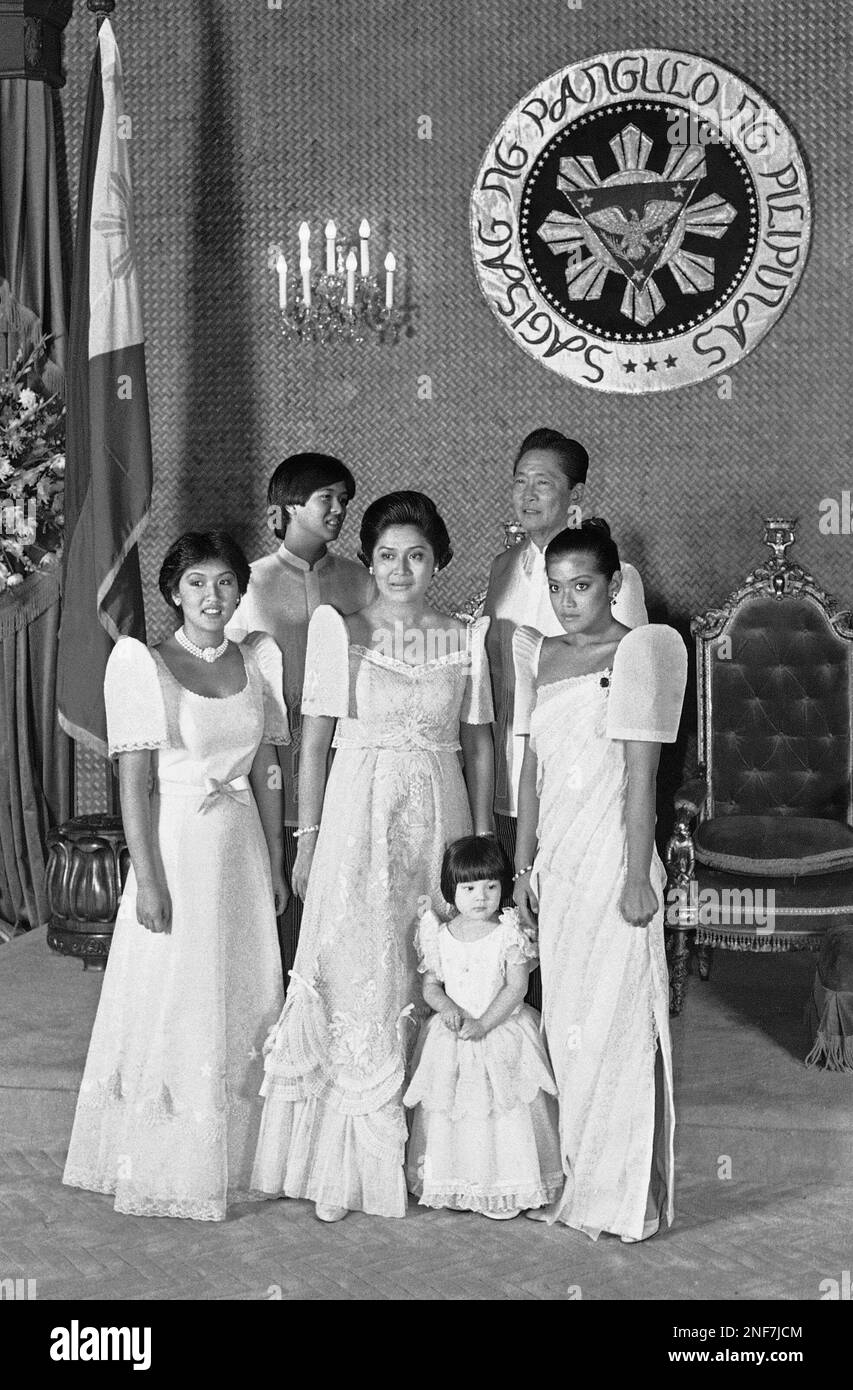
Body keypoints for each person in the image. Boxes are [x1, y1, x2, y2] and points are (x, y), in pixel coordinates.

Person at [251, 492, 495, 1222]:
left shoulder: (464, 636)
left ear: (438, 562)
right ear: (370, 560)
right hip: (358, 817)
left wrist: (482, 845)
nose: (400, 568)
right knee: (360, 964)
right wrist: (307, 840)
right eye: (386, 555)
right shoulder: (340, 629)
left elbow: (478, 741)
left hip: (440, 816)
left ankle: (435, 1157)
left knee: (430, 965)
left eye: (416, 555)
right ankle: (351, 1163)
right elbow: (314, 741)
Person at [63, 532, 290, 1221]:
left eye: (224, 583)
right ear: (172, 592)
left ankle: (247, 1151)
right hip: (178, 849)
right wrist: (148, 878)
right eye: (196, 583)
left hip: (241, 851)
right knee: (180, 991)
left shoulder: (259, 661)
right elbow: (132, 782)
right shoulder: (142, 664)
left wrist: (276, 863)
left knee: (243, 985)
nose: (212, 597)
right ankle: (169, 1159)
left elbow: (267, 773)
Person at [512, 519, 686, 1243]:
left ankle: (625, 1196)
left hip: (615, 859)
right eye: (554, 588)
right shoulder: (544, 653)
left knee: (619, 1022)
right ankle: (581, 1176)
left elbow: (642, 776)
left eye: (581, 585)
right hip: (558, 865)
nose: (566, 600)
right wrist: (523, 865)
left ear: (614, 585)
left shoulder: (636, 653)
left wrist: (638, 875)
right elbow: (532, 767)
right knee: (571, 1024)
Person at [225, 454, 375, 981]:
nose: (338, 510)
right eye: (325, 499)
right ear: (287, 507)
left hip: (349, 758)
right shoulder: (247, 584)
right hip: (270, 758)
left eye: (343, 499)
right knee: (280, 890)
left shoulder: (363, 580)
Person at [484, 429, 648, 895]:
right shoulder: (502, 567)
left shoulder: (616, 577)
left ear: (575, 494)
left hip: (588, 790)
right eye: (520, 482)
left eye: (543, 483)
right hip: (511, 770)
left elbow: (629, 694)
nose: (528, 495)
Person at [403, 836, 562, 1219]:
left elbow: (517, 986)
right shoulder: (439, 936)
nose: (481, 897)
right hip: (455, 1033)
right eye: (469, 888)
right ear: (451, 890)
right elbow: (430, 986)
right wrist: (448, 1010)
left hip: (501, 1028)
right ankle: (461, 1182)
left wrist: (485, 1023)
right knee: (458, 1110)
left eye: (491, 887)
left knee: (505, 1108)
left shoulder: (508, 931)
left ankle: (507, 1184)